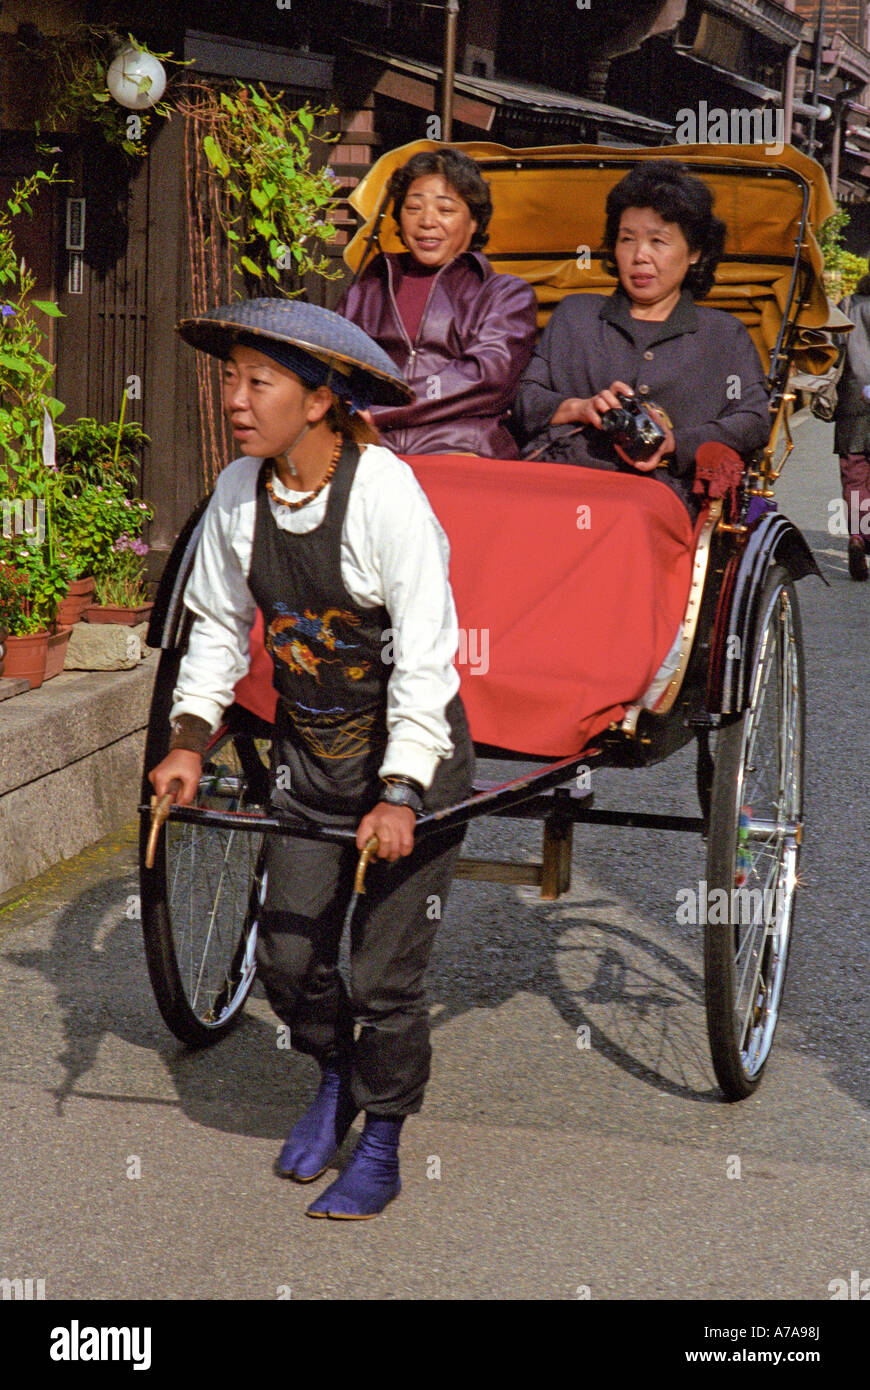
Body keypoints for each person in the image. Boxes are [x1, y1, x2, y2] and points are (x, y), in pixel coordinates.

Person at [148, 298, 474, 1219]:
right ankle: (334, 1078)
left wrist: (405, 789)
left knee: (379, 976)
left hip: (410, 762)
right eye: (230, 378)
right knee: (290, 965)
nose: (236, 399)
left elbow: (427, 653)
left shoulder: (385, 495)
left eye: (260, 382)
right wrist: (186, 740)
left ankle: (382, 1137)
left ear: (322, 399)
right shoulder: (237, 493)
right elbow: (217, 627)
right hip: (312, 760)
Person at [512, 159, 771, 513]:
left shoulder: (723, 334)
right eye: (627, 239)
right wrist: (581, 407)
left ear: (695, 253)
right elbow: (525, 398)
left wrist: (674, 443)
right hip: (559, 481)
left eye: (658, 241)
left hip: (659, 499)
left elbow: (753, 421)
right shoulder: (575, 315)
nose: (639, 256)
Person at [338, 147, 538, 457]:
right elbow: (334, 366)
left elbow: (487, 378)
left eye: (445, 210)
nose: (427, 221)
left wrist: (378, 409)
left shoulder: (505, 294)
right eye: (413, 208)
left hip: (461, 449)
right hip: (371, 450)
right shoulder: (367, 288)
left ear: (474, 223)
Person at [833, 273, 870, 581]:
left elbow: (832, 348)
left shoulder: (848, 304)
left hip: (853, 400)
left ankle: (858, 535)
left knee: (854, 474)